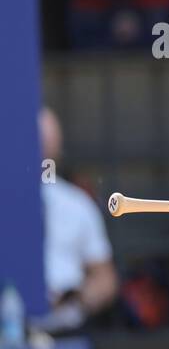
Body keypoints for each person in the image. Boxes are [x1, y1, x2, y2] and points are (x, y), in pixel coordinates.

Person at [36, 107, 118, 336]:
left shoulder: (77, 204)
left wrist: (76, 297)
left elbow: (105, 278)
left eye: (47, 144)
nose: (41, 152)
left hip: (66, 330)